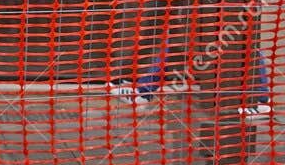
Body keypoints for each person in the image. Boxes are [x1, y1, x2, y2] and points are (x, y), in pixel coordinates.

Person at [111, 47, 273, 121]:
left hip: (236, 18)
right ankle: (143, 93)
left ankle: (261, 101)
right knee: (173, 40)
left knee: (251, 44)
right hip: (209, 18)